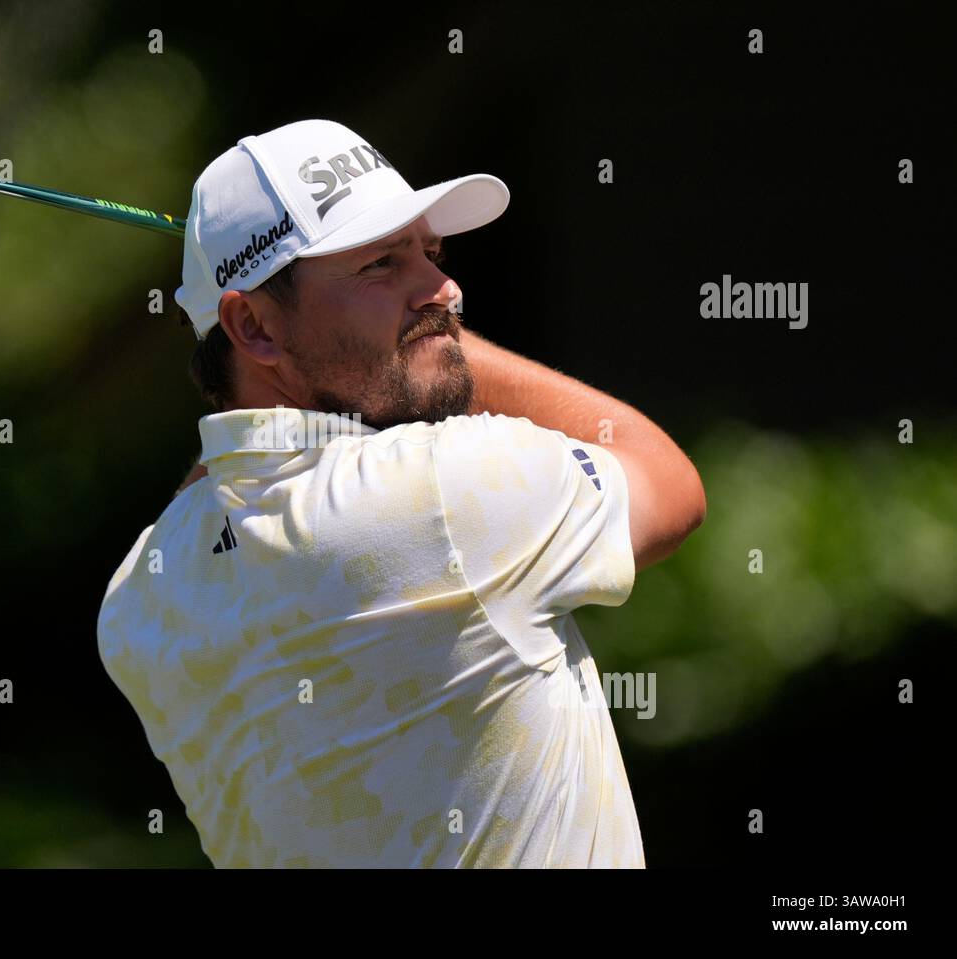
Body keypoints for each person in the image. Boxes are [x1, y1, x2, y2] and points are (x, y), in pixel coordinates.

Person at [97, 118, 706, 867]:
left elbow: (234, 453)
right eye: (382, 264)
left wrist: (247, 344)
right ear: (254, 326)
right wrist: (443, 339)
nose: (444, 288)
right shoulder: (445, 492)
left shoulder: (138, 602)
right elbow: (667, 480)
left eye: (431, 252)